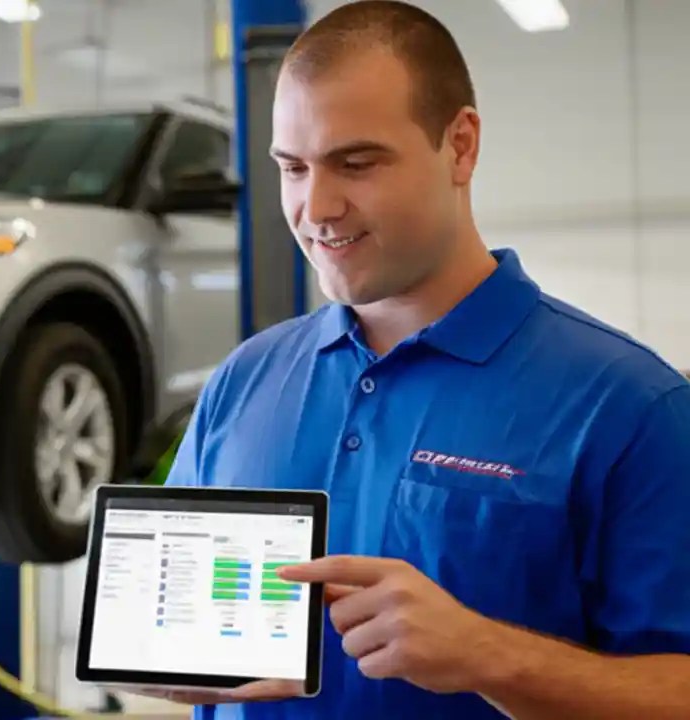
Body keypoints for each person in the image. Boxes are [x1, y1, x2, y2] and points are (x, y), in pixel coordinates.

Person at [152, 1, 690, 718]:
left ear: (460, 146)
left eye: (356, 163)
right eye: (293, 168)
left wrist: (488, 655)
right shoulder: (245, 380)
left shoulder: (630, 407)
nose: (317, 207)